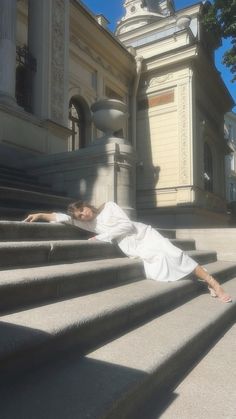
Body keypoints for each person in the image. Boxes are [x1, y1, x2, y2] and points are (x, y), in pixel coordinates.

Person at [24, 201, 232, 303]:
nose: (84, 216)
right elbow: (60, 217)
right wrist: (40, 214)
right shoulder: (86, 224)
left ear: (87, 205)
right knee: (161, 265)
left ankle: (213, 283)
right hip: (133, 247)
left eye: (83, 210)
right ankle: (201, 276)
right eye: (80, 215)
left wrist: (101, 237)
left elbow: (125, 226)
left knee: (175, 254)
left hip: (143, 234)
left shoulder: (110, 207)